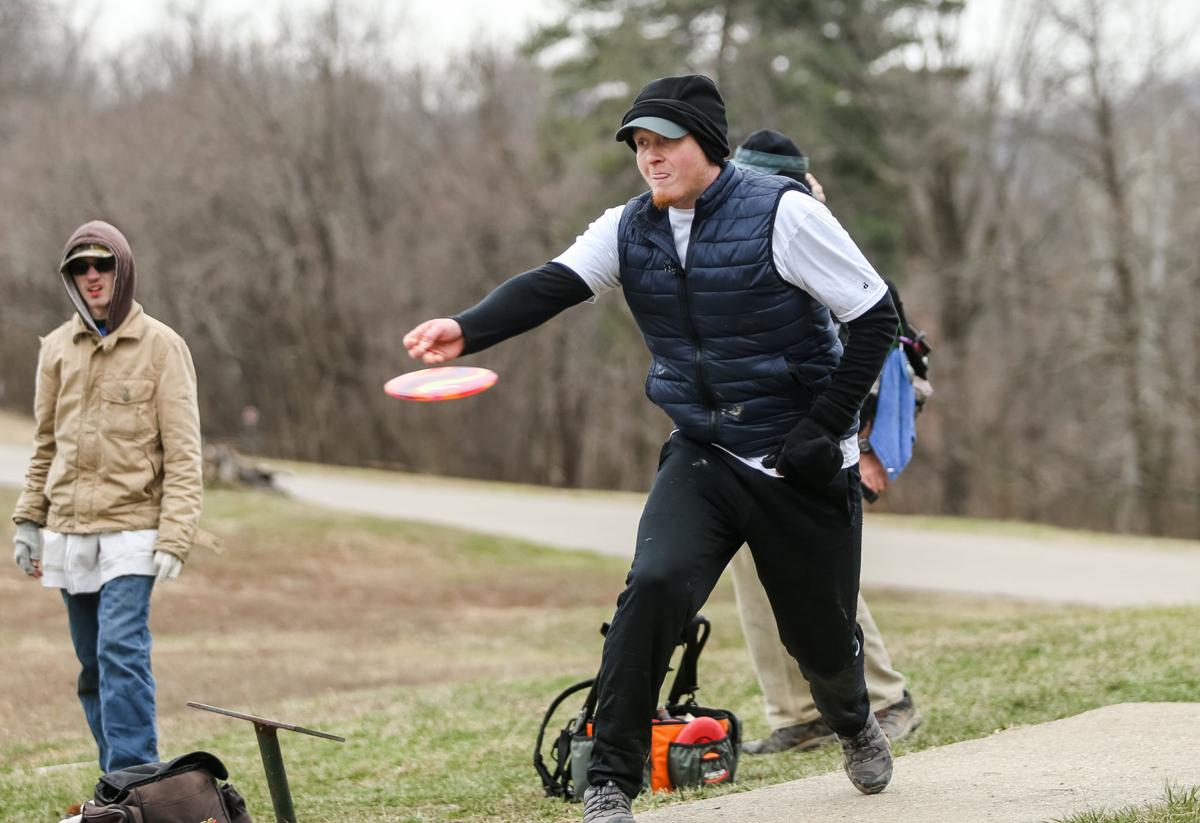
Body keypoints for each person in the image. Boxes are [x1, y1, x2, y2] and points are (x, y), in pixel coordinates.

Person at [404, 75, 899, 822]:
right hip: (706, 449)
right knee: (655, 586)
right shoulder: (629, 227)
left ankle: (854, 720)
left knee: (820, 637)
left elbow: (876, 317)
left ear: (708, 143)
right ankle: (610, 779)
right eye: (639, 144)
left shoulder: (785, 215)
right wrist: (467, 329)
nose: (650, 158)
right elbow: (553, 283)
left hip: (801, 461)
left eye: (664, 141)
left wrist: (820, 426)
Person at [727, 129, 926, 755]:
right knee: (754, 570)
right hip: (754, 437)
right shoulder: (731, 239)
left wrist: (868, 447)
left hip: (827, 440)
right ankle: (797, 710)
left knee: (818, 578)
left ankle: (887, 699)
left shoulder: (814, 234)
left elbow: (892, 354)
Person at [10, 220, 203, 772]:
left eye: (102, 264)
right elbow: (45, 444)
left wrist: (176, 535)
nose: (92, 276)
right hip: (70, 531)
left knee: (121, 650)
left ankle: (139, 775)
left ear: (123, 269)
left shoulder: (163, 347)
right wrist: (29, 520)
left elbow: (185, 452)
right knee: (93, 664)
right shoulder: (55, 349)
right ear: (70, 278)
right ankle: (116, 783)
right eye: (80, 267)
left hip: (134, 531)